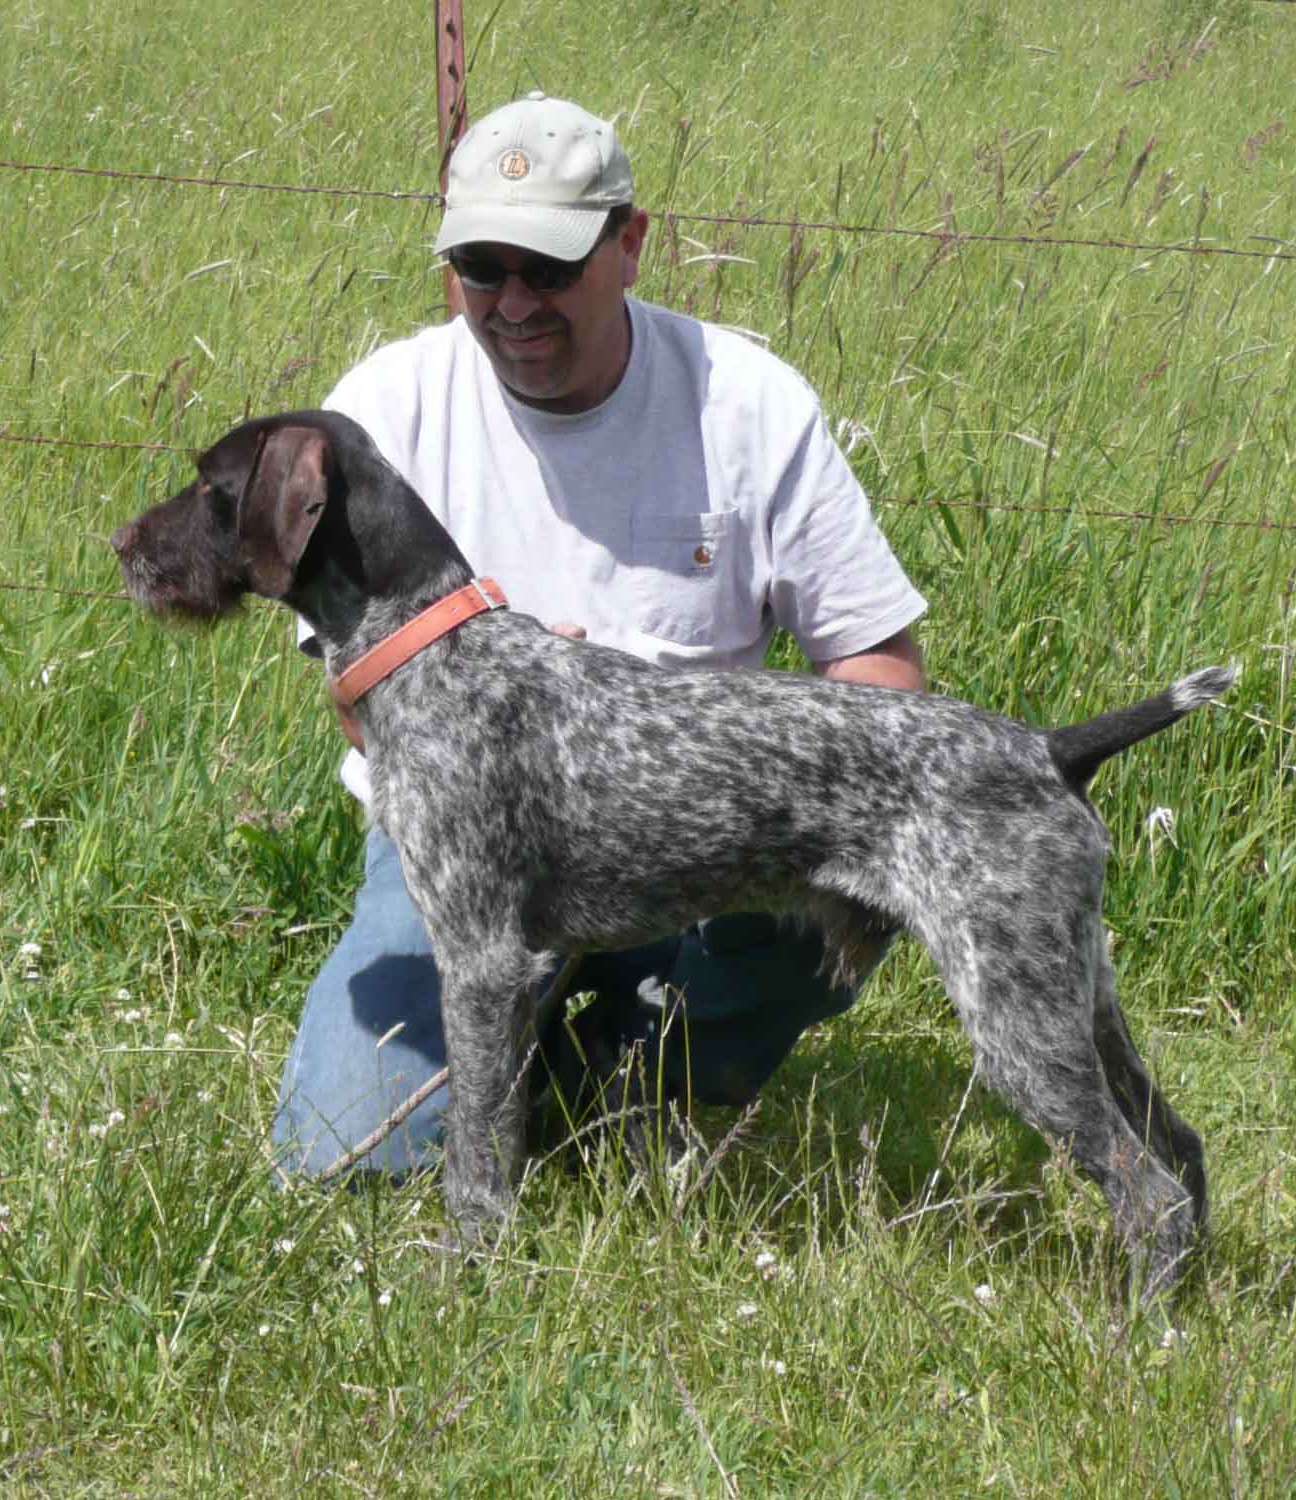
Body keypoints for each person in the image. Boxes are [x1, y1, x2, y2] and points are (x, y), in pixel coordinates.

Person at [271, 93, 927, 1180]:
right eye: (482, 266)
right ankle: (521, 1068)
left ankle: (635, 1083)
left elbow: (880, 671)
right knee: (349, 1156)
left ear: (630, 245)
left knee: (847, 868)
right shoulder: (382, 411)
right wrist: (504, 712)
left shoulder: (750, 404)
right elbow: (348, 695)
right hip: (459, 849)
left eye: (551, 267)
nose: (514, 302)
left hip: (700, 841)